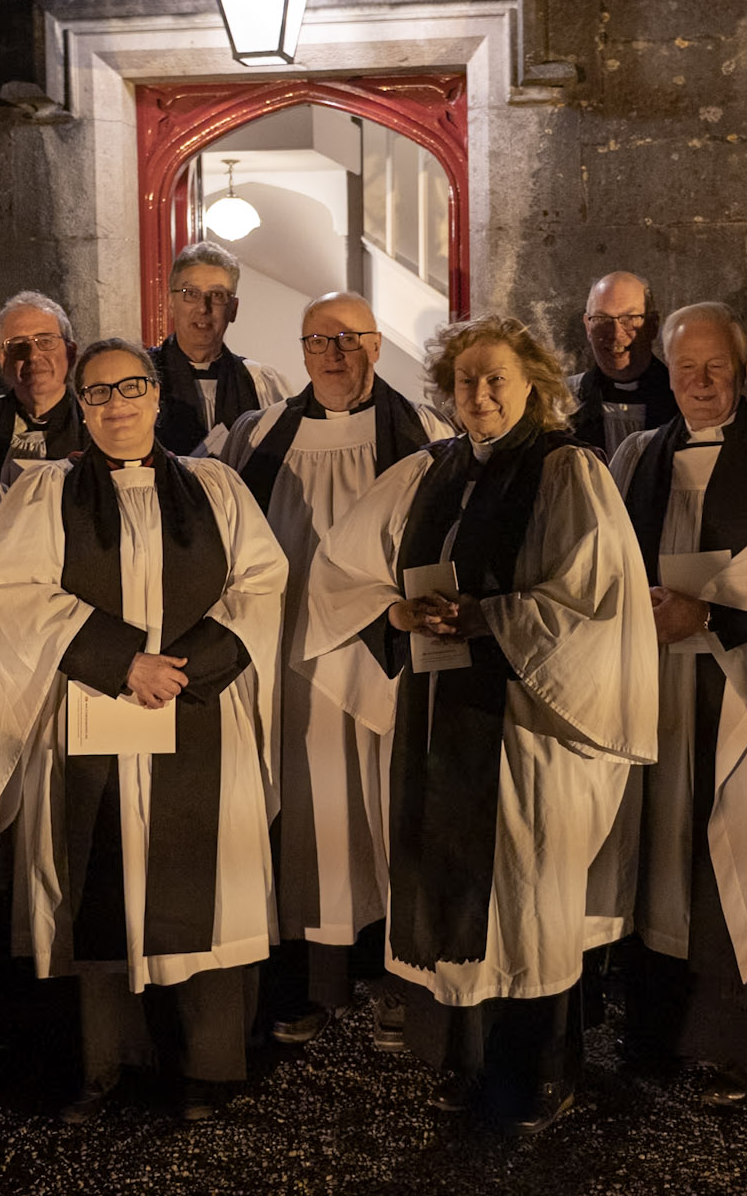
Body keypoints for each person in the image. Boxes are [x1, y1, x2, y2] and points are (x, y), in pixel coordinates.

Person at [300, 316, 658, 1134]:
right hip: (439, 720)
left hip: (532, 728)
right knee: (451, 884)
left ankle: (544, 1070)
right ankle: (462, 1062)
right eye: (465, 381)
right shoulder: (427, 469)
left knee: (528, 897)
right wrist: (397, 609)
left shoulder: (571, 472)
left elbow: (596, 602)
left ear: (534, 380)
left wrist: (486, 616)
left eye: (497, 378)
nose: (481, 394)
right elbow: (342, 572)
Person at [0, 339, 289, 1124]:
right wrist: (121, 660)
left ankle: (208, 1063)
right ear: (82, 405)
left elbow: (262, 584)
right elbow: (6, 593)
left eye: (131, 386)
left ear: (157, 395)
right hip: (88, 720)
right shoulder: (45, 492)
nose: (117, 404)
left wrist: (184, 667)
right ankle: (104, 1063)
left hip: (200, 713)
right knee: (99, 889)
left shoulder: (216, 484)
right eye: (98, 393)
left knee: (200, 887)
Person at [607, 302, 747, 1106]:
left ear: (742, 369)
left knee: (737, 851)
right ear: (664, 372)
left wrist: (707, 613)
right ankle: (657, 1031)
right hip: (655, 680)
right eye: (684, 368)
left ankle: (742, 1042)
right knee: (658, 852)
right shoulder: (638, 452)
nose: (700, 383)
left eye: (716, 367)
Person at [216, 293, 455, 1050]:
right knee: (304, 808)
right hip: (289, 654)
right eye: (317, 339)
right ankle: (307, 983)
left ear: (377, 346)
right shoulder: (254, 437)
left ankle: (396, 983)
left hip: (385, 654)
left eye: (348, 339)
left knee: (386, 806)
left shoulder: (429, 435)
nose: (331, 353)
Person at [149, 241, 289, 455]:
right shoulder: (141, 376)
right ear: (170, 303)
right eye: (191, 293)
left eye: (217, 295)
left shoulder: (262, 383)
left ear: (233, 309)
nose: (203, 308)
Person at [0, 290, 86, 483]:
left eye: (46, 341)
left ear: (71, 353)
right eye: (18, 345)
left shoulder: (98, 424)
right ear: (2, 359)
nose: (33, 356)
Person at [564, 271, 677, 454]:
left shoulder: (684, 398)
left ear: (653, 325)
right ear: (588, 327)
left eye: (629, 319)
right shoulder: (562, 401)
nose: (616, 334)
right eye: (602, 319)